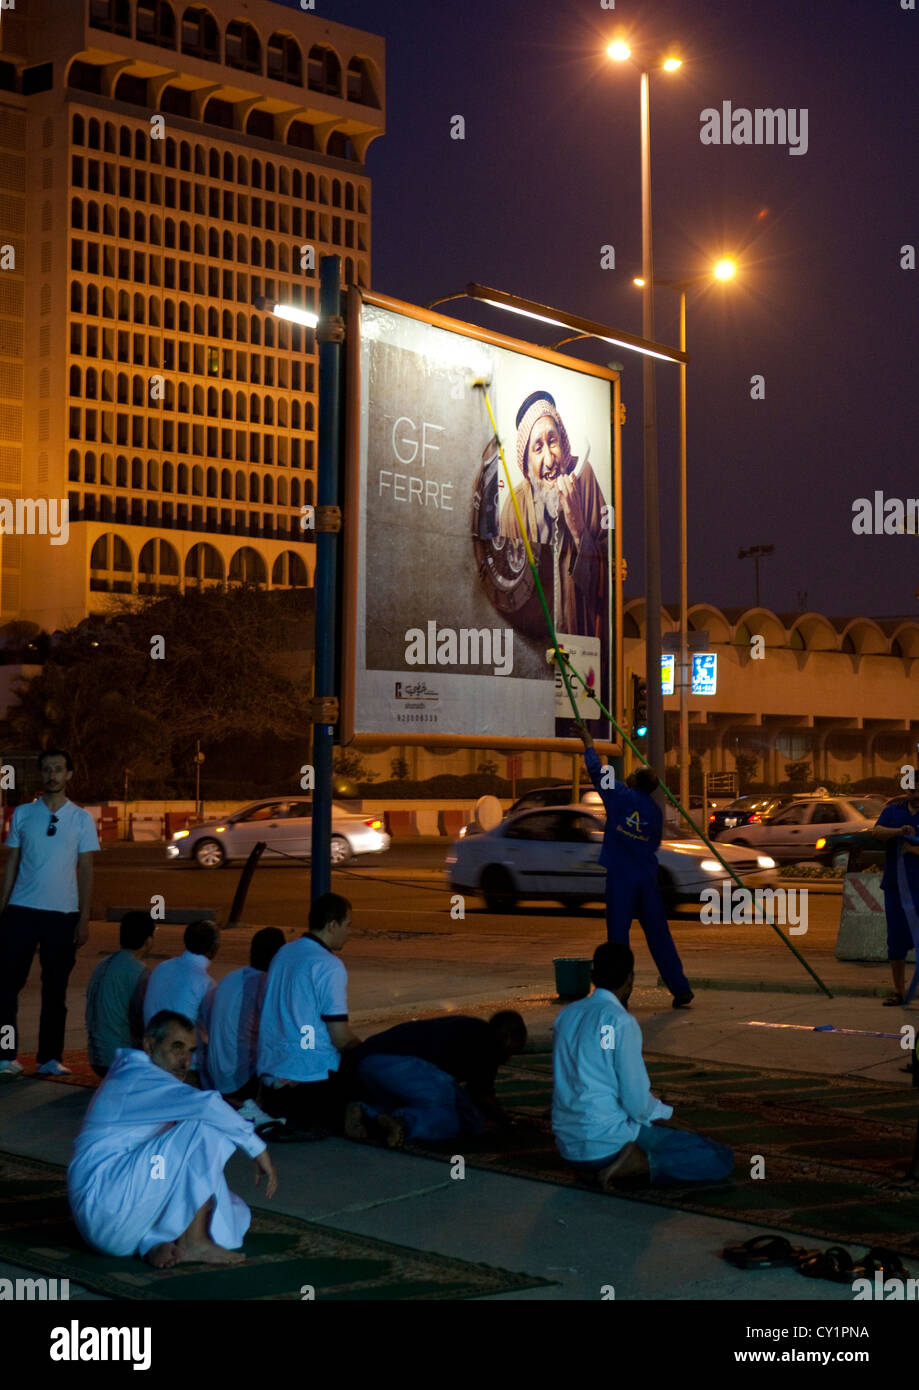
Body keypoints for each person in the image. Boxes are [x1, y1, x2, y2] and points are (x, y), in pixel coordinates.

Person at [67, 1010, 277, 1268]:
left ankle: (151, 1243)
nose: (185, 1060)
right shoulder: (136, 1078)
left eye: (190, 1051)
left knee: (232, 1209)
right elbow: (208, 1105)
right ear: (149, 1044)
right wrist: (258, 1149)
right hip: (106, 1207)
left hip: (119, 1217)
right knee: (205, 1126)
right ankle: (192, 1241)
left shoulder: (140, 1075)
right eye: (176, 1048)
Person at [552, 942, 733, 1188]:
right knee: (717, 1157)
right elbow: (635, 1102)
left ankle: (601, 1168)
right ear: (630, 980)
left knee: (685, 1141)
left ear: (592, 976)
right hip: (606, 1141)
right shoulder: (619, 1022)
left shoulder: (567, 1015)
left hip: (568, 1145)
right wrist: (670, 1117)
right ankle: (634, 1166)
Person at [576, 725, 693, 1007]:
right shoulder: (653, 811)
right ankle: (680, 988)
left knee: (618, 938)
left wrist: (588, 742)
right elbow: (654, 844)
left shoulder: (619, 795)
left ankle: (620, 993)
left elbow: (595, 771)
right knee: (659, 937)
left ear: (635, 781)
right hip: (647, 879)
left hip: (622, 879)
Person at [0, 748, 100, 1077]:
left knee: (55, 991)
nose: (51, 775)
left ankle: (49, 1058)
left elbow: (85, 869)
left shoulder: (81, 818)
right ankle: (5, 1054)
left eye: (58, 769)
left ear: (69, 775)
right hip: (21, 911)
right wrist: (3, 907)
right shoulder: (23, 815)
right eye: (46, 769)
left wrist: (84, 917)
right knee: (7, 986)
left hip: (62, 915)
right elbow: (11, 863)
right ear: (40, 774)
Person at [499, 390, 608, 641]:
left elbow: (604, 585)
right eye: (538, 448)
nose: (550, 459)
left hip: (580, 650)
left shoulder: (585, 480)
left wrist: (578, 528)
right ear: (526, 463)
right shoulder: (513, 508)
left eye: (553, 441)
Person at [256, 892, 360, 1133]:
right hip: (309, 1075)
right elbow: (340, 1037)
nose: (350, 932)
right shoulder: (328, 965)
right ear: (332, 925)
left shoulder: (284, 954)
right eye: (348, 925)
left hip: (271, 1072)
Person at [345, 1011, 528, 1146]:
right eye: (513, 1050)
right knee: (452, 1118)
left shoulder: (471, 1027)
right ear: (508, 1040)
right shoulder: (488, 1044)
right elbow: (481, 1095)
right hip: (398, 1064)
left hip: (366, 1062)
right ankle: (403, 1124)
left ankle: (367, 1113)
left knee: (462, 1111)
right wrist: (507, 1122)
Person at [208, 927, 285, 1103]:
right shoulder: (266, 984)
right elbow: (277, 1036)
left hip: (216, 1074)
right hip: (240, 1078)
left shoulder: (229, 978)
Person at [143, 919, 219, 1082]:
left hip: (152, 1052)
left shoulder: (162, 967)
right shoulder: (205, 982)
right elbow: (211, 1029)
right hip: (182, 1063)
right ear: (214, 949)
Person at [85, 910, 156, 1078]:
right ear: (148, 941)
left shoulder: (102, 964)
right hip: (119, 1061)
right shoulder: (139, 972)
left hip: (96, 1058)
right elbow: (142, 1020)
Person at [872, 791, 919, 1006]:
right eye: (912, 789)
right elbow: (878, 832)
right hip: (895, 887)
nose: (914, 793)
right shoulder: (893, 810)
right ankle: (899, 991)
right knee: (896, 940)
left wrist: (914, 850)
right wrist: (898, 831)